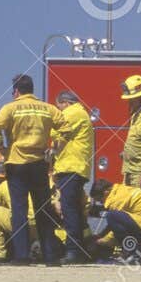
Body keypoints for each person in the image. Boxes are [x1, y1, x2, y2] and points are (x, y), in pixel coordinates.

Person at [0, 74, 62, 266]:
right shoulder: (48, 108)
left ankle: (21, 255)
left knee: (19, 209)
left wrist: (0, 148)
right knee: (43, 209)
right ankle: (50, 256)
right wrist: (55, 147)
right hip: (39, 163)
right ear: (32, 89)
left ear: (16, 91)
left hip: (16, 163)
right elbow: (66, 127)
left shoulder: (10, 108)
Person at [52, 90, 96, 264]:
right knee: (74, 210)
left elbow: (57, 132)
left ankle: (73, 251)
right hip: (74, 167)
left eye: (59, 107)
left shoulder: (73, 113)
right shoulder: (79, 112)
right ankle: (80, 249)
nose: (59, 111)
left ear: (65, 103)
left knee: (69, 209)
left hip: (71, 167)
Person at [88, 177, 141, 263]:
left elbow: (116, 226)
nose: (101, 203)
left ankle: (133, 253)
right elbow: (118, 224)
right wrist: (101, 235)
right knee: (114, 217)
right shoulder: (121, 191)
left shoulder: (116, 200)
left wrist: (103, 241)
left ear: (106, 192)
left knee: (111, 215)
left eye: (100, 199)